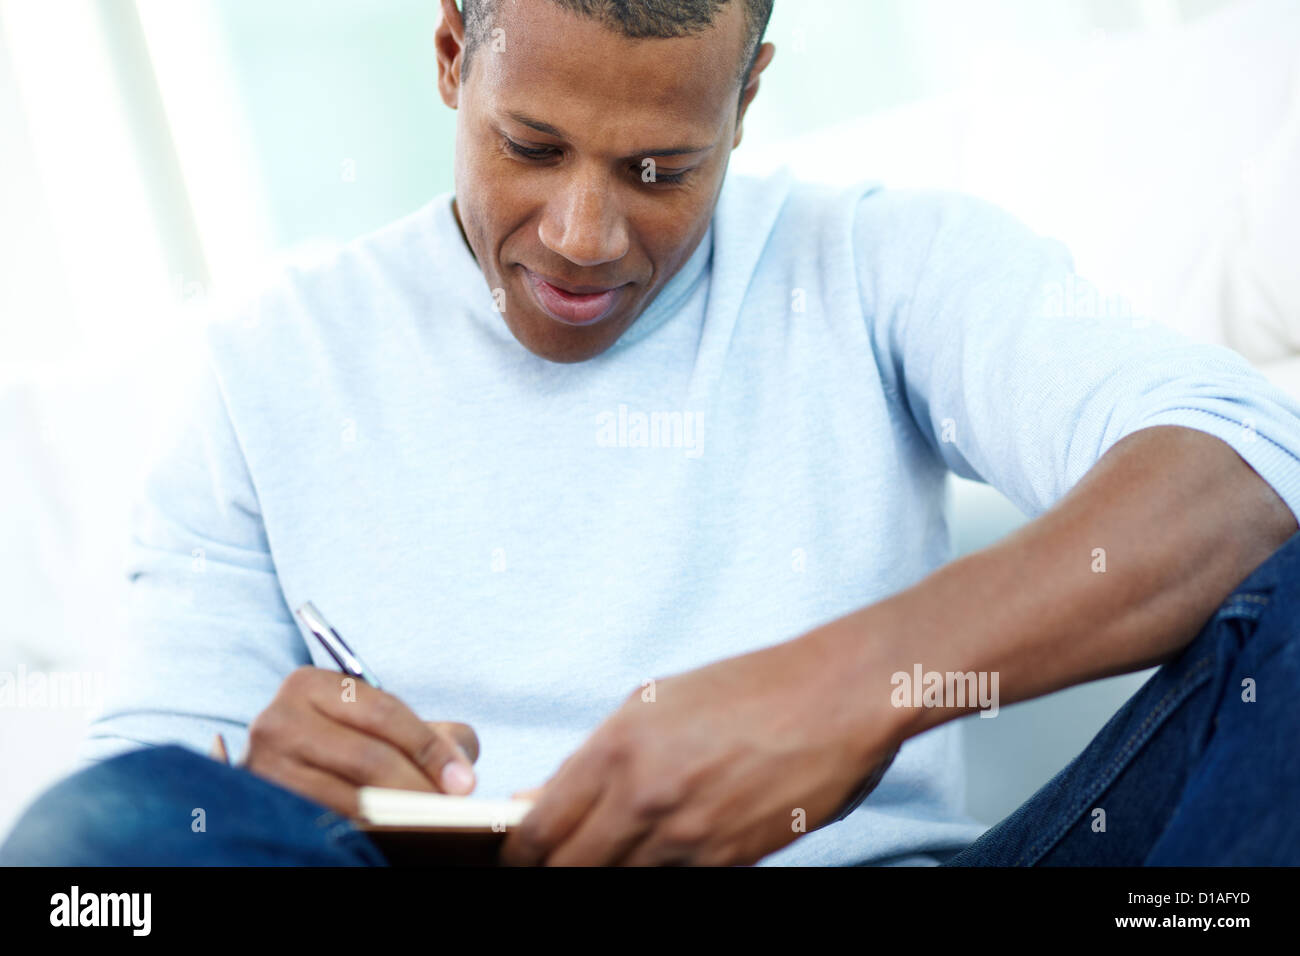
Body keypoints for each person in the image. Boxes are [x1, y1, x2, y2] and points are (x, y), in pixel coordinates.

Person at [3, 0, 1299, 867]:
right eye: (532, 146)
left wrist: (851, 691)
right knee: (97, 843)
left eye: (659, 170)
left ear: (746, 96)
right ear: (453, 50)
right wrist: (255, 781)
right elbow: (123, 831)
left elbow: (1246, 474)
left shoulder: (882, 263)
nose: (583, 235)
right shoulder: (269, 362)